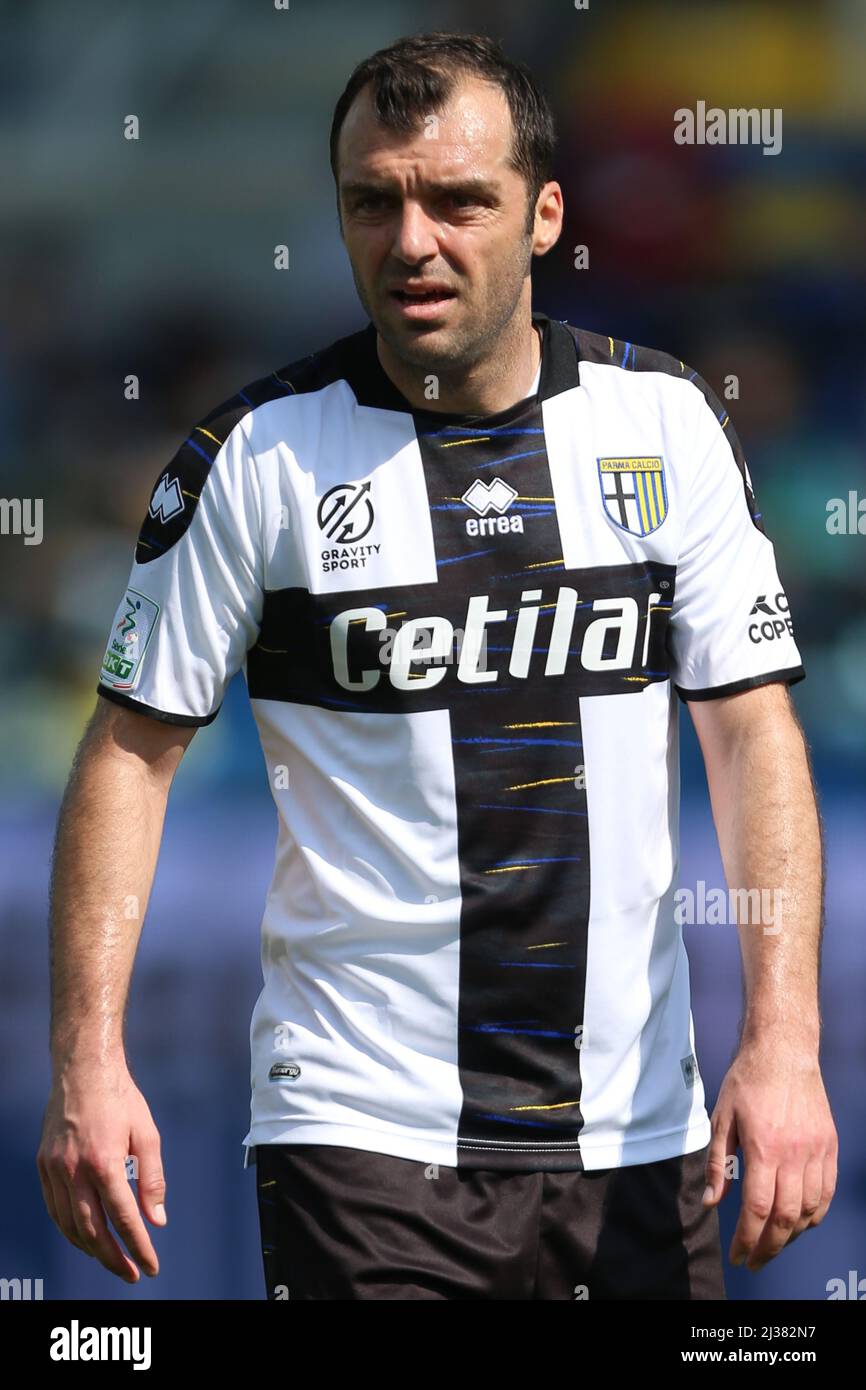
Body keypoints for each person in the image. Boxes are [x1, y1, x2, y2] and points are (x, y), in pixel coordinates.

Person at [38, 31, 836, 1300]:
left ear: (542, 215)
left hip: (636, 1135)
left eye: (457, 200)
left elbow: (750, 734)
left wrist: (783, 1047)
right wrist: (88, 1061)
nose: (412, 241)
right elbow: (131, 755)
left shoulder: (665, 421)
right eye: (373, 202)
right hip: (359, 1139)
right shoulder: (253, 459)